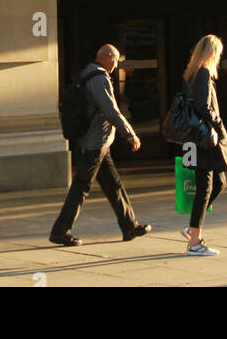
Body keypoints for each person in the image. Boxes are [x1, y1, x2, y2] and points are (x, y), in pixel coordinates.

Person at [50, 44, 152, 247]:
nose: (115, 66)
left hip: (99, 142)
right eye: (115, 61)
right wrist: (130, 134)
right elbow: (110, 110)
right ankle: (60, 231)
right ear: (107, 58)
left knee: (114, 185)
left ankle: (129, 225)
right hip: (95, 143)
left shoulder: (86, 74)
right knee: (81, 186)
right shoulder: (98, 78)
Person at [181, 34, 227, 258]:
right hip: (206, 138)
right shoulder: (203, 73)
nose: (220, 57)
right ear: (212, 53)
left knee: (217, 182)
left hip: (198, 138)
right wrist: (218, 125)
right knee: (206, 187)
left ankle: (192, 229)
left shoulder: (192, 74)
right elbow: (204, 106)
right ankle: (194, 240)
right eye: (218, 52)